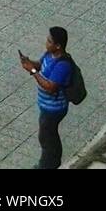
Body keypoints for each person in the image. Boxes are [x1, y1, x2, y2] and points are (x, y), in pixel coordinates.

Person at [20, 27, 74, 170]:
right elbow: (40, 65)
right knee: (47, 134)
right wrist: (30, 63)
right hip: (46, 106)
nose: (46, 43)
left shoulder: (63, 65)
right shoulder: (49, 55)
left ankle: (48, 165)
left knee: (47, 136)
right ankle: (52, 162)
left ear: (58, 46)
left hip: (54, 108)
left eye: (49, 41)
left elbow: (50, 87)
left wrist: (32, 71)